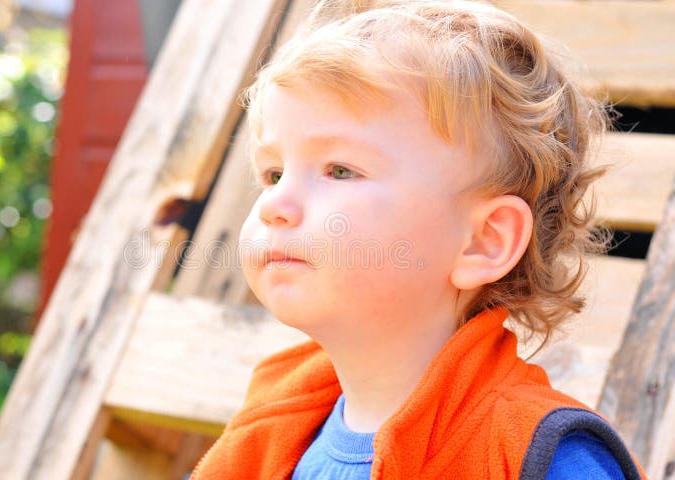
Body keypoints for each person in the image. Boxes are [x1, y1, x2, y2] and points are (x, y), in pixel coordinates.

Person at [189, 1, 647, 478]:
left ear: (483, 242)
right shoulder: (270, 427)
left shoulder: (544, 458)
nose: (273, 204)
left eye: (340, 170)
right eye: (273, 173)